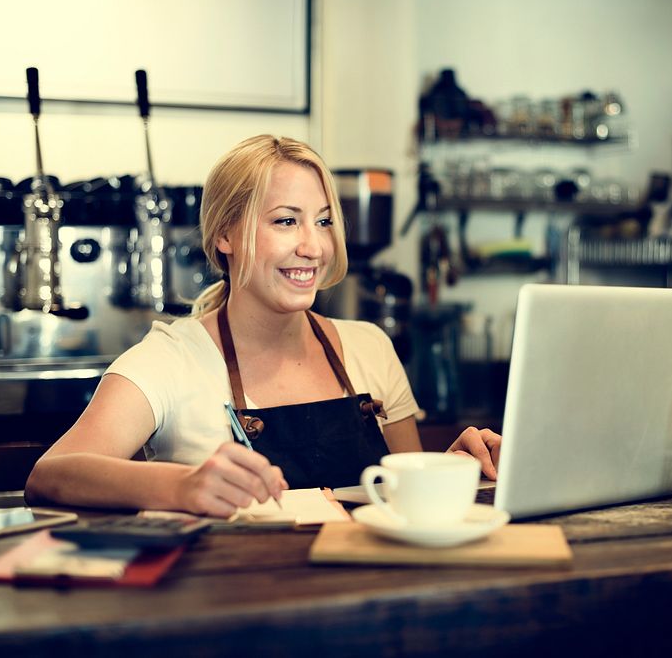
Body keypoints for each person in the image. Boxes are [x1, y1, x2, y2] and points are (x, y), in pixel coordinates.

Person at [25, 135, 501, 517]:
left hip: (365, 606)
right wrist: (183, 486)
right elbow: (50, 476)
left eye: (323, 221)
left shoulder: (369, 347)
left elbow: (401, 503)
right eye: (286, 221)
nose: (314, 246)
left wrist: (448, 471)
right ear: (224, 235)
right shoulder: (170, 360)